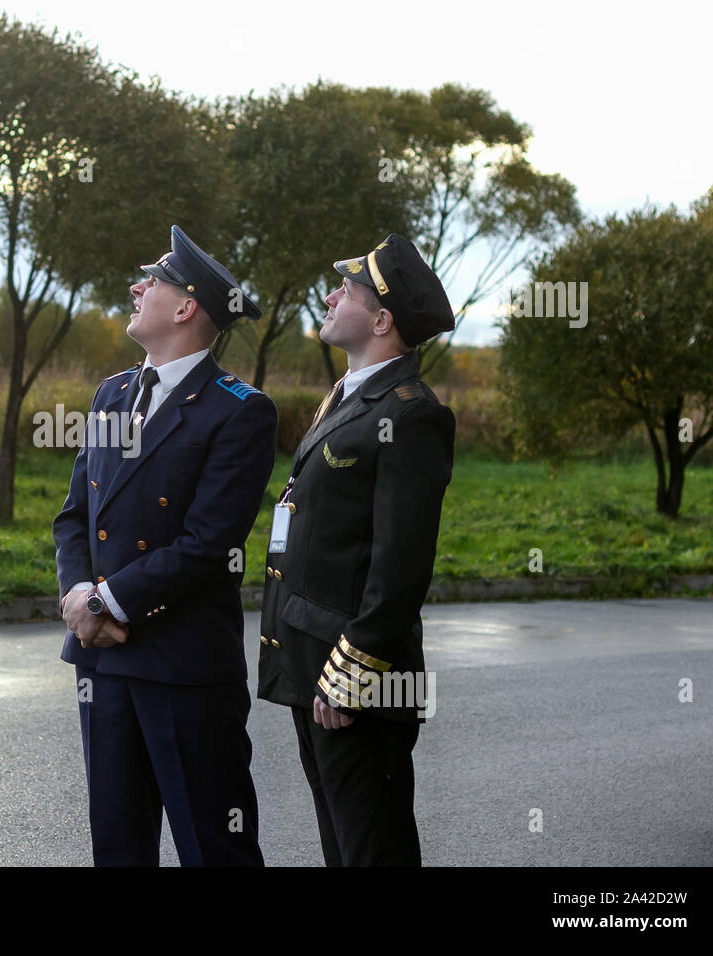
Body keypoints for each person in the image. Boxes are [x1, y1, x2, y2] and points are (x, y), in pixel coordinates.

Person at [53, 225, 278, 866]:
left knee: (216, 851)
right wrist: (77, 597)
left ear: (185, 307)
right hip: (103, 665)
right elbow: (73, 518)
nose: (135, 286)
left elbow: (208, 545)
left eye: (151, 278)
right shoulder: (112, 394)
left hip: (183, 670)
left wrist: (107, 603)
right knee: (119, 851)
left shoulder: (239, 410)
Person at [257, 233, 456, 866]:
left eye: (347, 289)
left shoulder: (412, 413)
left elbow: (400, 567)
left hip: (357, 683)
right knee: (343, 849)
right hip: (317, 666)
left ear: (381, 319)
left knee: (374, 849)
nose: (330, 294)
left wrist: (350, 677)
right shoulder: (347, 395)